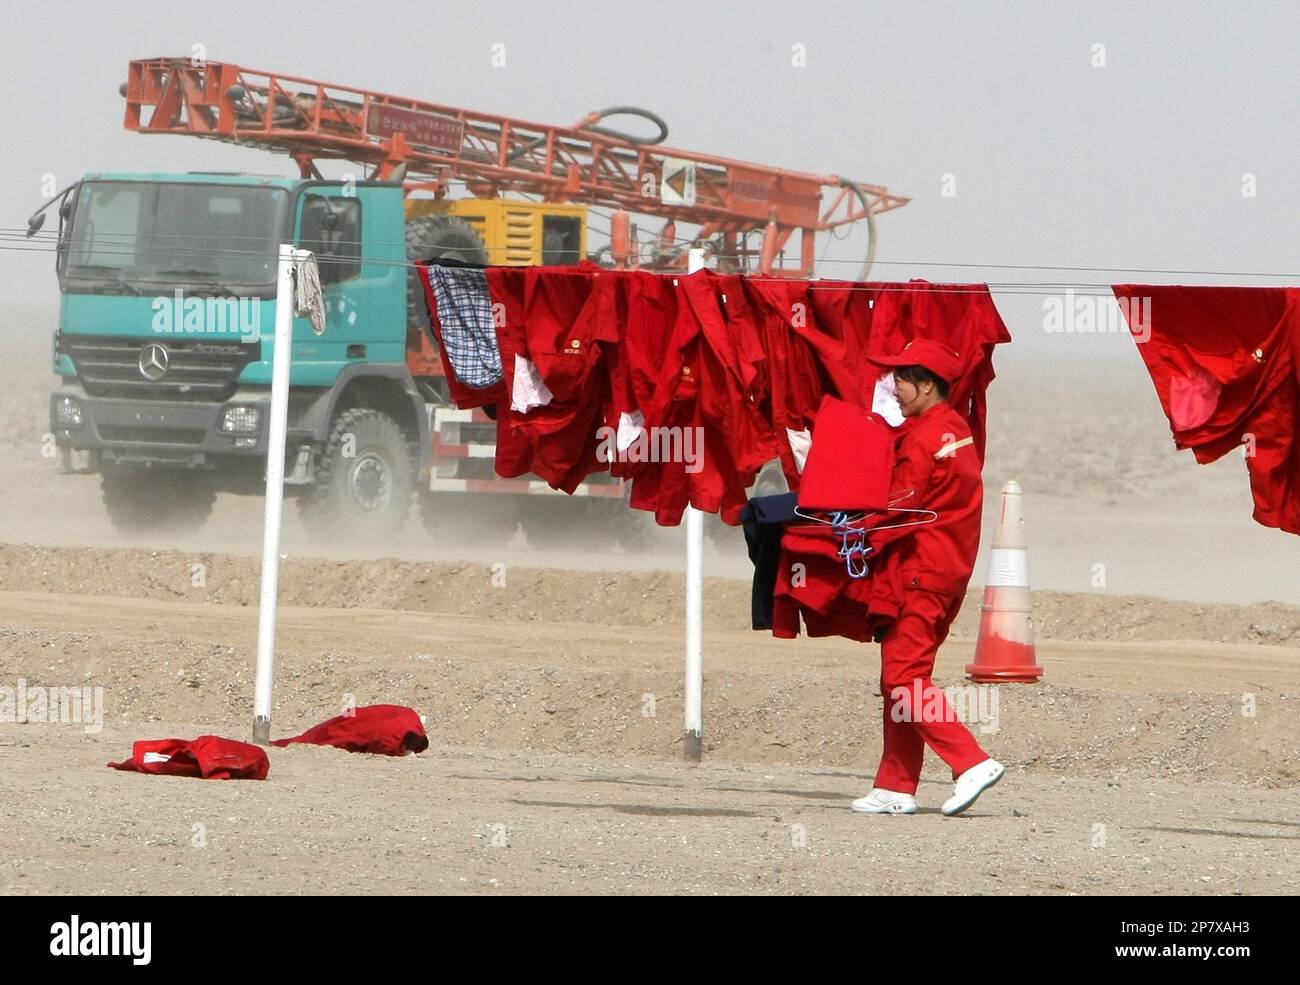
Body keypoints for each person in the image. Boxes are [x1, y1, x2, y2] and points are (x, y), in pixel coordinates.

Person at [851, 339, 1005, 816]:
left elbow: (901, 503)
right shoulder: (955, 430)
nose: (892, 387)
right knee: (898, 677)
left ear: (925, 385)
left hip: (919, 573)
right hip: (946, 574)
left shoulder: (922, 439)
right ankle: (895, 786)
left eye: (900, 379)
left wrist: (844, 524)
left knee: (903, 677)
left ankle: (970, 761)